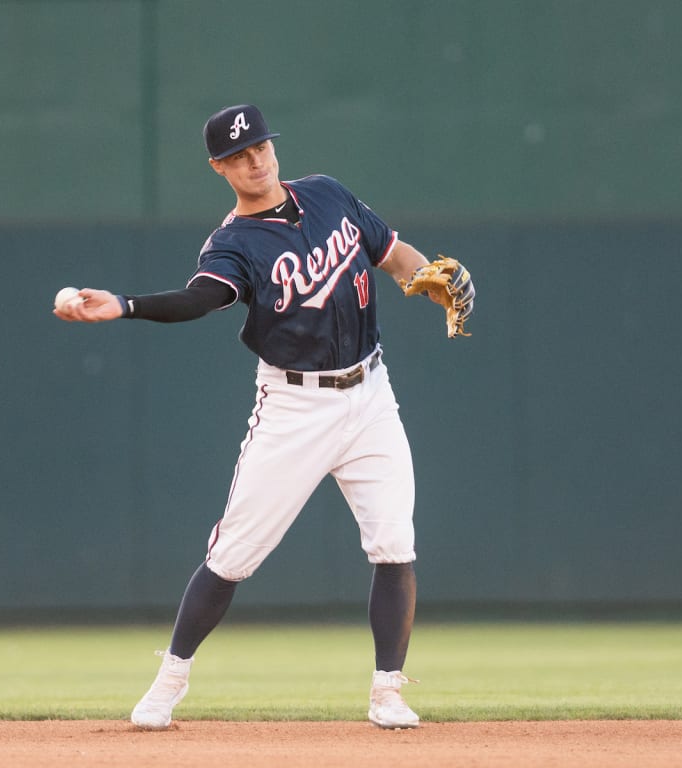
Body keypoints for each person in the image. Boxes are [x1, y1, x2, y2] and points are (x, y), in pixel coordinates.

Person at [54, 103, 473, 730]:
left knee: (395, 543)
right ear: (220, 167)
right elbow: (201, 299)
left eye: (263, 148)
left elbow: (392, 253)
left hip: (370, 394)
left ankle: (388, 693)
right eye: (240, 156)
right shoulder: (233, 243)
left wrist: (428, 275)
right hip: (294, 407)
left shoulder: (329, 194)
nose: (257, 161)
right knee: (234, 555)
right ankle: (169, 680)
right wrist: (125, 304)